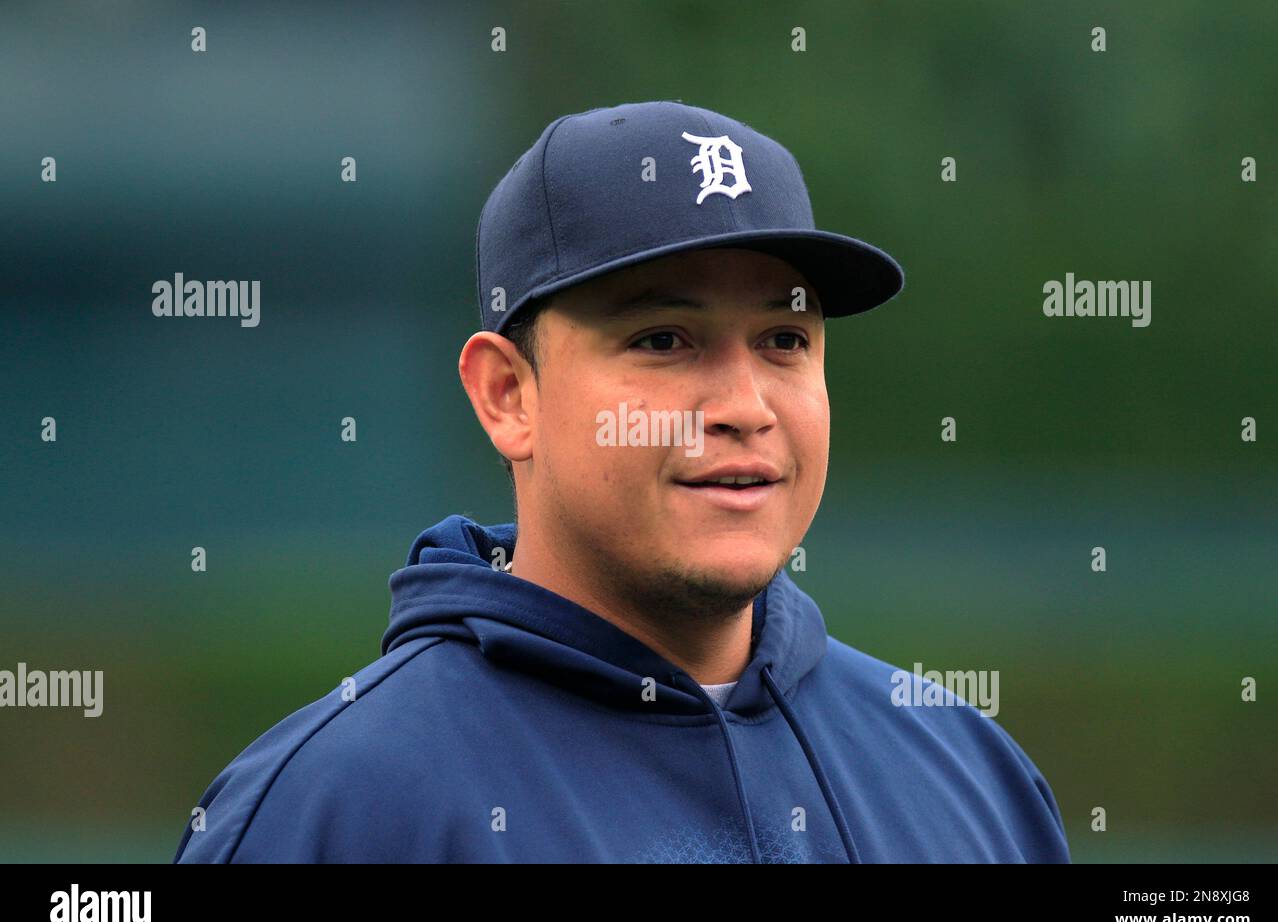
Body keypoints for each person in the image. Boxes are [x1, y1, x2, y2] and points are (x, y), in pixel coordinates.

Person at [174, 100, 1069, 863]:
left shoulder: (972, 773)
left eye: (784, 341)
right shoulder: (336, 812)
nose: (745, 405)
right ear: (508, 396)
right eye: (664, 340)